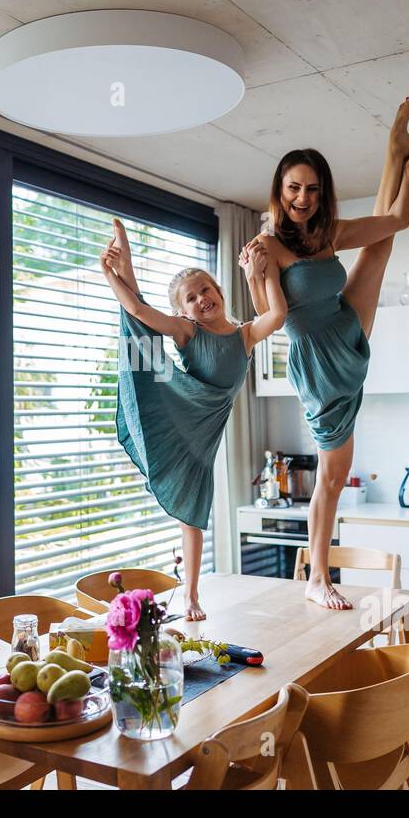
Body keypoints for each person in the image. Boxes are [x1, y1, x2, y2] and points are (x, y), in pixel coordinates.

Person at [241, 97, 409, 609]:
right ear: (280, 190)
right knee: (333, 477)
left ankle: (394, 145)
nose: (303, 197)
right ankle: (317, 578)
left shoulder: (328, 234)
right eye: (294, 187)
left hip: (345, 325)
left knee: (380, 244)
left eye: (313, 189)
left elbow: (397, 221)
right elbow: (270, 317)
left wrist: (406, 165)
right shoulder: (268, 245)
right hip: (317, 361)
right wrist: (255, 275)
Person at [101, 219, 287, 620]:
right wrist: (114, 270)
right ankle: (190, 596)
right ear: (182, 311)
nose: (201, 298)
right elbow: (137, 308)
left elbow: (278, 314)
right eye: (190, 297)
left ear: (219, 292)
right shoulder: (187, 332)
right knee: (140, 331)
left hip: (204, 432)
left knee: (193, 517)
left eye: (206, 289)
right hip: (179, 411)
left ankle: (190, 593)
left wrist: (265, 268)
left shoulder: (245, 335)